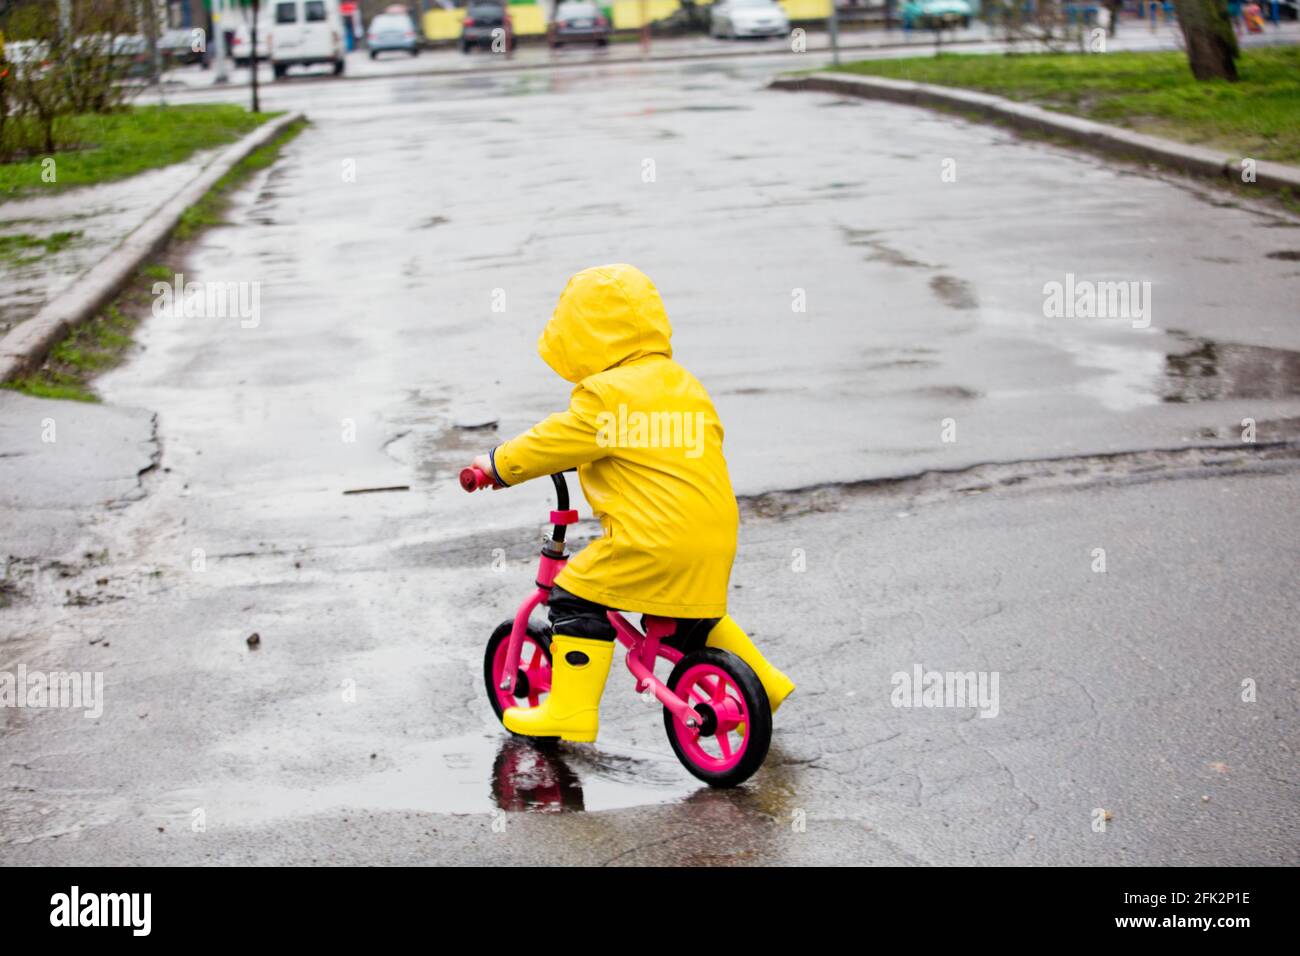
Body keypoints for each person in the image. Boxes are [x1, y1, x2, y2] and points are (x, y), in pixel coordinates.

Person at [470, 264, 794, 742]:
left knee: (575, 593)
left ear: (582, 333)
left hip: (653, 540)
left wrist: (497, 466)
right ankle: (762, 684)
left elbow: (553, 441)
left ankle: (571, 710)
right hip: (714, 531)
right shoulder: (683, 384)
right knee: (691, 615)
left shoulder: (605, 396)